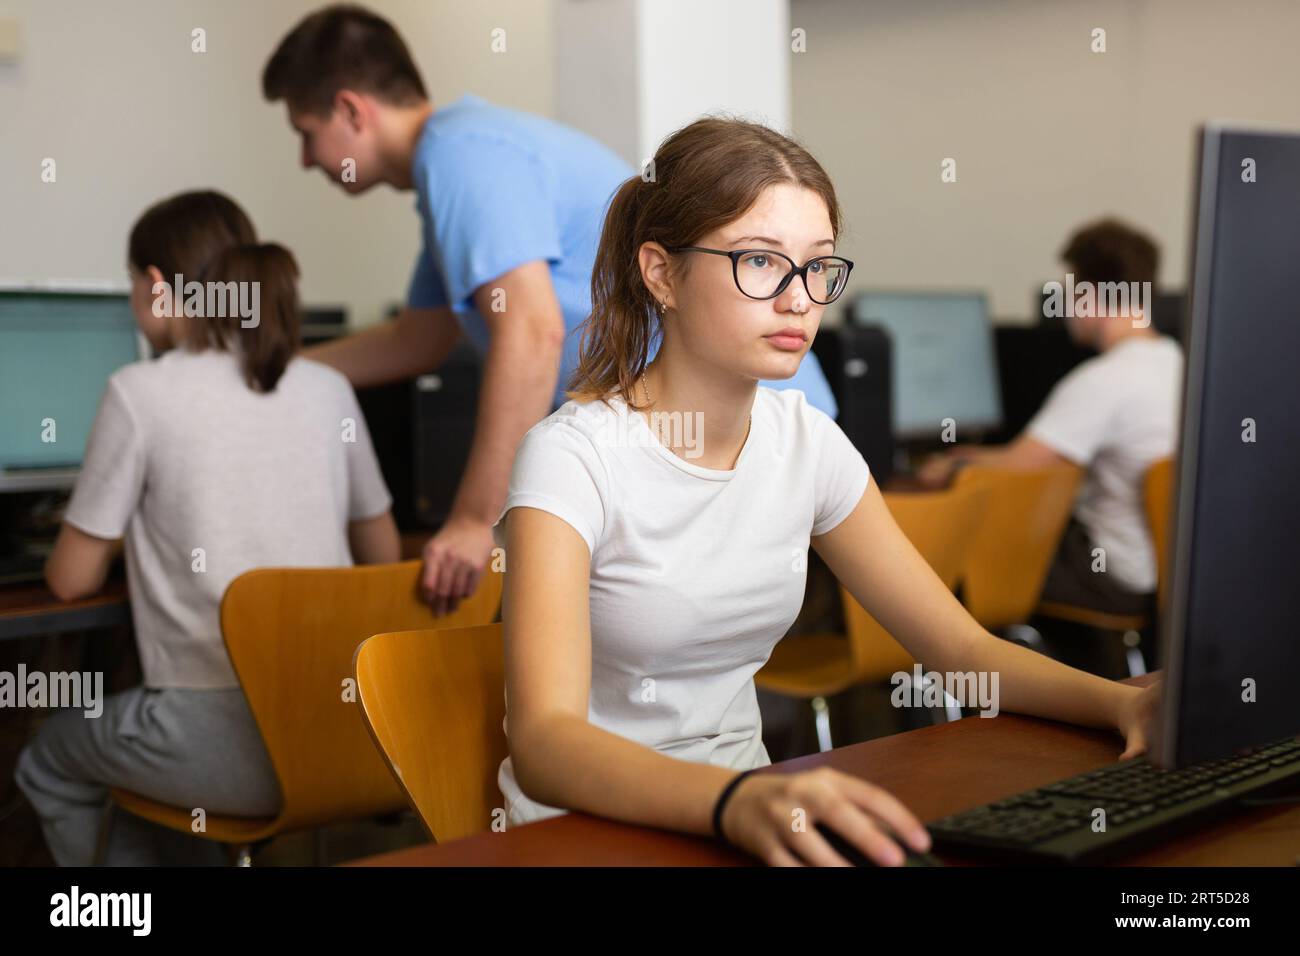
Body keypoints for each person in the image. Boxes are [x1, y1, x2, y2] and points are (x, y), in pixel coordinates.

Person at [491, 119, 1160, 866]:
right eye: (760, 262)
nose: (799, 300)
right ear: (661, 273)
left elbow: (960, 648)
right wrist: (732, 800)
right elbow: (545, 742)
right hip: (592, 831)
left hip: (751, 817)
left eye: (817, 268)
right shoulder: (573, 458)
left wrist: (1122, 702)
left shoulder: (805, 442)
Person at [260, 4, 838, 616]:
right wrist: (286, 366)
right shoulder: (463, 161)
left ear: (350, 110)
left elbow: (533, 333)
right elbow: (418, 340)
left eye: (304, 132)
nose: (304, 158)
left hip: (737, 426)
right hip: (713, 426)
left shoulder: (461, 159)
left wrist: (473, 520)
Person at [15, 191, 398, 865]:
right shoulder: (326, 387)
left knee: (46, 762)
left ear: (156, 288)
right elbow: (383, 554)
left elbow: (70, 580)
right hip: (351, 730)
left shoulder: (142, 391)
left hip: (228, 749)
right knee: (142, 792)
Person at [918, 218, 1182, 616]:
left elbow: (1017, 465)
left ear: (1092, 294)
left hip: (1113, 576)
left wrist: (952, 460)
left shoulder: (1104, 380)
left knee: (955, 563)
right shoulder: (1176, 361)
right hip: (1167, 570)